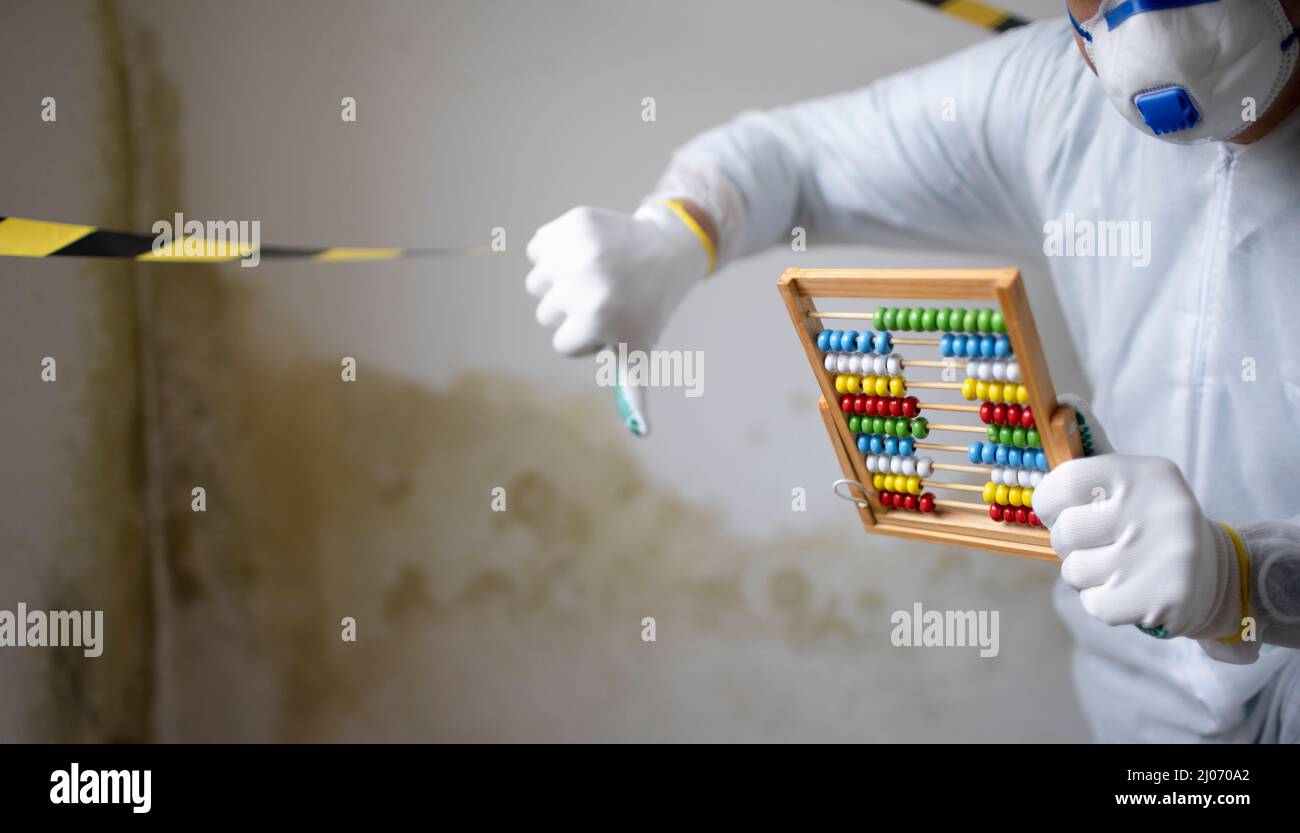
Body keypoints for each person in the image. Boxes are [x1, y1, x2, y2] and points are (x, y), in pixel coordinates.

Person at [524, 0, 1300, 742]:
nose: (1144, 18)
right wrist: (674, 234)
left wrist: (1249, 582)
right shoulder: (1052, 98)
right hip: (1141, 722)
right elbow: (792, 158)